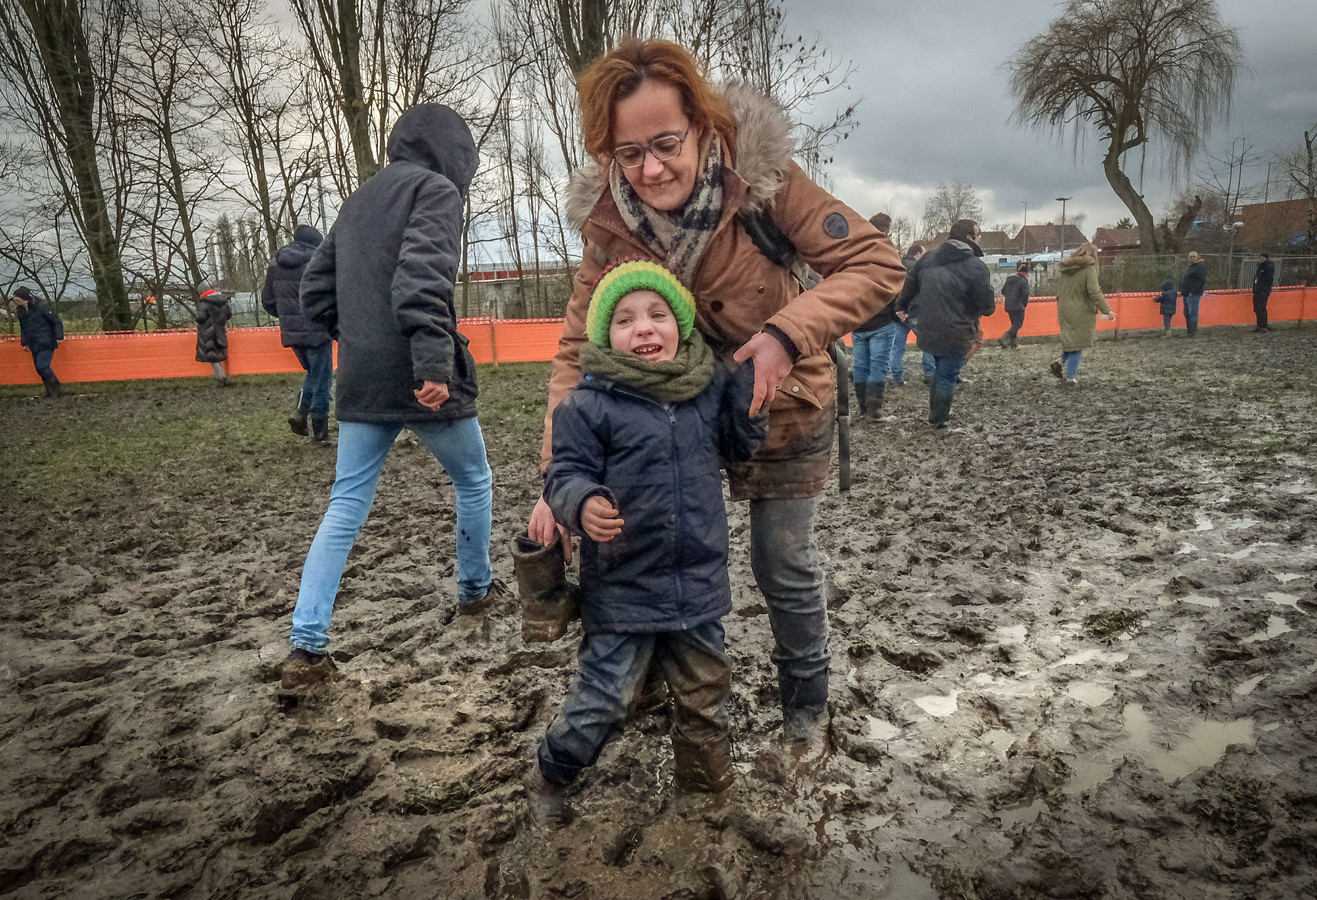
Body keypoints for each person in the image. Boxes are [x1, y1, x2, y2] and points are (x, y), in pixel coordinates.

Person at [525, 37, 905, 754]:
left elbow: (875, 264)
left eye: (665, 143)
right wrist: (555, 478)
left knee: (780, 563)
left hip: (781, 405)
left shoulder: (764, 180)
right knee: (638, 553)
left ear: (702, 126)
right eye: (628, 155)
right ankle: (646, 687)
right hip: (655, 422)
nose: (651, 168)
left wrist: (788, 333)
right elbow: (575, 353)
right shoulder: (607, 224)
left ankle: (805, 697)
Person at [526, 259, 767, 825]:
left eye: (658, 314)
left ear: (680, 325)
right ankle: (552, 771)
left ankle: (705, 794)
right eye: (625, 319)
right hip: (624, 585)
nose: (644, 328)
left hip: (698, 582)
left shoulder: (705, 390)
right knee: (606, 696)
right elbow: (563, 475)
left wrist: (749, 403)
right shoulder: (587, 406)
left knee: (707, 695)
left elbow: (737, 447)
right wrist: (581, 503)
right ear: (605, 335)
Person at [281, 104, 494, 686]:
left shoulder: (357, 199)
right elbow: (423, 276)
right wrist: (431, 363)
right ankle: (475, 591)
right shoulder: (438, 192)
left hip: (361, 375)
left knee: (345, 505)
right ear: (455, 155)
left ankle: (305, 646)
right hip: (421, 372)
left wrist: (357, 338)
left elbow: (314, 289)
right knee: (473, 479)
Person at [894, 219, 994, 428]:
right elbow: (987, 305)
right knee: (947, 375)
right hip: (958, 329)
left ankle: (935, 414)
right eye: (979, 234)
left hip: (928, 326)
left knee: (940, 371)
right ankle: (940, 418)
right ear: (970, 237)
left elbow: (910, 285)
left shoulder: (928, 258)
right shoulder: (975, 266)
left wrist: (901, 306)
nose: (980, 237)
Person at [261, 224, 334, 442]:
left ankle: (302, 414)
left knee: (313, 374)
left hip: (291, 333)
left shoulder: (276, 263)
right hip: (317, 328)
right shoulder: (317, 260)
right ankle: (318, 428)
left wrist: (285, 316)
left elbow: (268, 301)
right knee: (322, 379)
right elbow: (329, 292)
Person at [850, 213, 900, 417]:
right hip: (881, 319)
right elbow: (895, 283)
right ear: (886, 230)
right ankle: (875, 409)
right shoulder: (886, 251)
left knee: (860, 365)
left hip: (859, 319)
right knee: (878, 365)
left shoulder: (855, 251)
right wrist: (897, 311)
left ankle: (862, 409)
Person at [1048, 243, 1114, 386]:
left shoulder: (1065, 269)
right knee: (1078, 344)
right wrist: (1107, 310)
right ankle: (1071, 378)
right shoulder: (1089, 269)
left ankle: (1058, 362)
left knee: (1072, 341)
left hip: (1064, 308)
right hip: (1080, 310)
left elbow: (1060, 291)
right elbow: (1094, 292)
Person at [12, 286, 64, 397]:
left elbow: (56, 321)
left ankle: (57, 388)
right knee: (38, 368)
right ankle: (50, 391)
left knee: (42, 366)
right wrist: (24, 343)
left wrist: (59, 337)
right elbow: (23, 327)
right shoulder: (20, 311)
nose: (16, 301)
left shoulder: (42, 307)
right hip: (33, 342)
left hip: (47, 340)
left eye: (17, 299)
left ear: (24, 298)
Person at [889, 242, 925, 385]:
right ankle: (930, 373)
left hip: (899, 313)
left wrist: (897, 309)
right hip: (916, 310)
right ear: (917, 254)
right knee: (927, 342)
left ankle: (897, 376)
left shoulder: (897, 266)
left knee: (897, 347)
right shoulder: (918, 269)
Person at [195, 282, 231, 385]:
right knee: (218, 354)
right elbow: (228, 315)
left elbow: (200, 318)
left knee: (212, 356)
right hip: (220, 331)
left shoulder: (204, 303)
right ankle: (222, 377)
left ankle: (220, 378)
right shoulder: (223, 301)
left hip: (208, 332)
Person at [997, 262, 1030, 349]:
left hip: (1008, 305)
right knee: (1017, 325)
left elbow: (1003, 291)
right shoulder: (1024, 281)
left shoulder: (1009, 279)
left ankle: (1013, 343)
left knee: (1014, 324)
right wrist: (1024, 304)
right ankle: (1003, 338)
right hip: (1018, 306)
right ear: (1026, 272)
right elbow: (1025, 294)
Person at [1179, 251, 1207, 338]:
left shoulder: (1200, 267)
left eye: (1193, 256)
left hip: (1193, 294)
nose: (1192, 258)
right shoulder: (1191, 267)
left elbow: (1201, 281)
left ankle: (1192, 333)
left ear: (1197, 257)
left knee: (1193, 313)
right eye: (1190, 257)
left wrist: (1193, 292)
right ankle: (1189, 331)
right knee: (1187, 313)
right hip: (1186, 294)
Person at [1251, 252, 1274, 332]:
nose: (1261, 259)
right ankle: (1259, 325)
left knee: (1261, 308)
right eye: (1260, 257)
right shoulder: (1260, 268)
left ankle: (1263, 326)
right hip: (1257, 291)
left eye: (1263, 257)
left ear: (1266, 258)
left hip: (1263, 291)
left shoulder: (1268, 267)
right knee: (1257, 308)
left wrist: (1264, 290)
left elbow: (1269, 280)